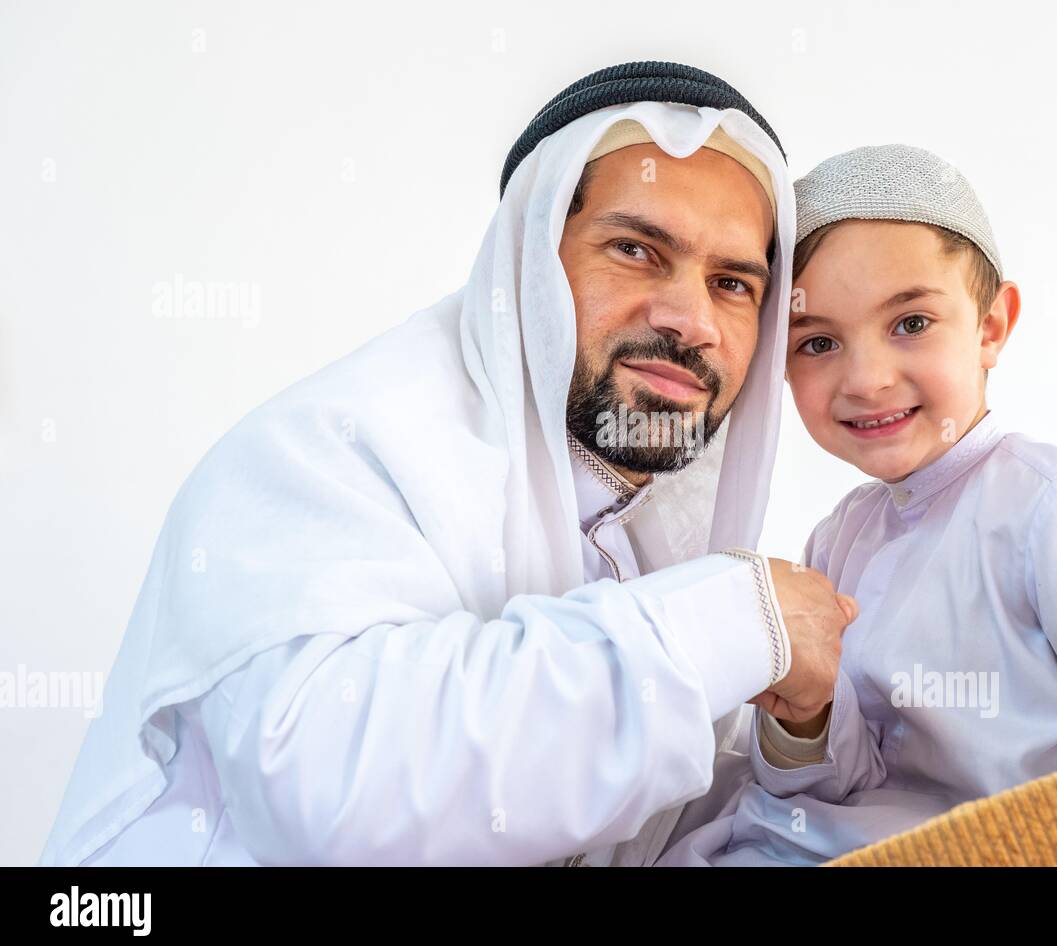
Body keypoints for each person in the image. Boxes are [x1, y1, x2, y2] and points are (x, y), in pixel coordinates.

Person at [39, 62, 858, 867]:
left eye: (733, 284)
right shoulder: (328, 450)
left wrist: (798, 734)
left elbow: (619, 820)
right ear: (528, 265)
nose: (689, 320)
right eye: (637, 250)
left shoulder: (645, 546)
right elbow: (332, 789)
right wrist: (734, 623)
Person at [656, 144, 1057, 866]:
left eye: (911, 324)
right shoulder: (840, 538)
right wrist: (807, 713)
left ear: (991, 327)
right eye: (819, 341)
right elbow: (838, 782)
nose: (865, 379)